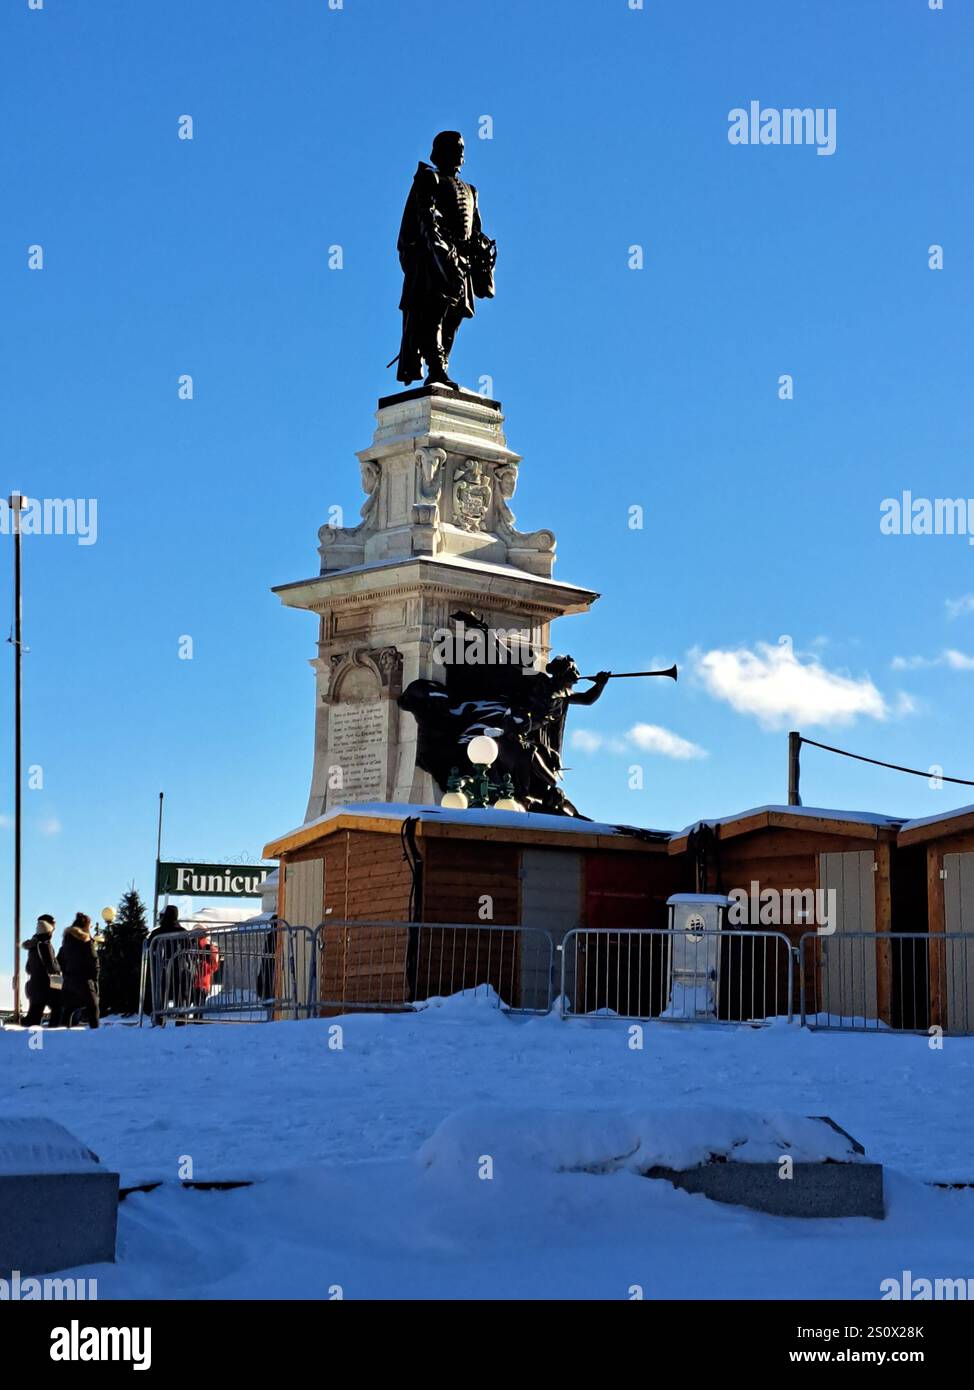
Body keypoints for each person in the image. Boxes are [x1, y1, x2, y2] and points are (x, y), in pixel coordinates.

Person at [143, 904, 186, 1024]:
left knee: (160, 994)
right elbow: (189, 947)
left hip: (160, 968)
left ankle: (159, 1019)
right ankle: (181, 1020)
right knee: (179, 994)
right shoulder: (182, 931)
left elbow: (149, 945)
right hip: (178, 967)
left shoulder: (158, 932)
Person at [56, 913, 100, 1029]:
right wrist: (94, 981)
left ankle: (61, 1034)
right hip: (84, 980)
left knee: (68, 1009)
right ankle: (95, 1033)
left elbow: (59, 962)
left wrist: (66, 974)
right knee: (93, 1006)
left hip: (68, 981)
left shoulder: (66, 943)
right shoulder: (86, 942)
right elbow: (93, 961)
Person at [21, 914, 63, 1026]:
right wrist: (60, 974)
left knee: (33, 1018)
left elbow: (28, 968)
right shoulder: (45, 945)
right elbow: (52, 967)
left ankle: (25, 1037)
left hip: (35, 986)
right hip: (47, 986)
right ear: (49, 928)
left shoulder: (33, 945)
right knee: (58, 1009)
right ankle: (54, 1035)